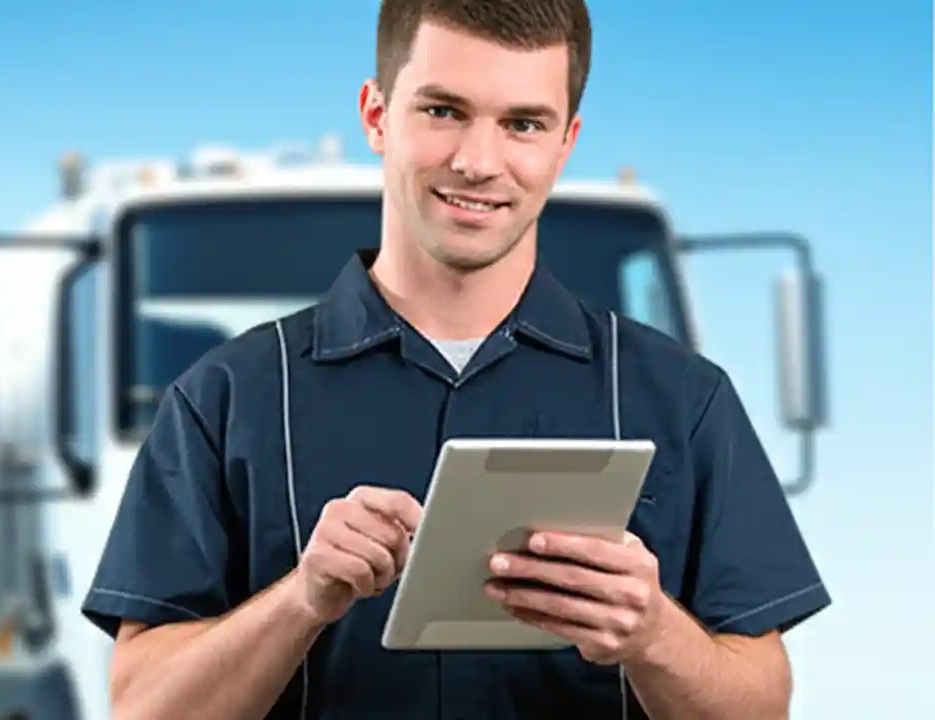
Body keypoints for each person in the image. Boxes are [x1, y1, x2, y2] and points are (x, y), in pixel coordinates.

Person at [80, 0, 831, 717]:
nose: (478, 161)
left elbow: (761, 705)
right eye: (443, 111)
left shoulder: (685, 401)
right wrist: (301, 599)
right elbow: (143, 707)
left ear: (565, 143)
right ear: (377, 115)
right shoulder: (224, 400)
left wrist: (655, 635)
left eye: (523, 124)